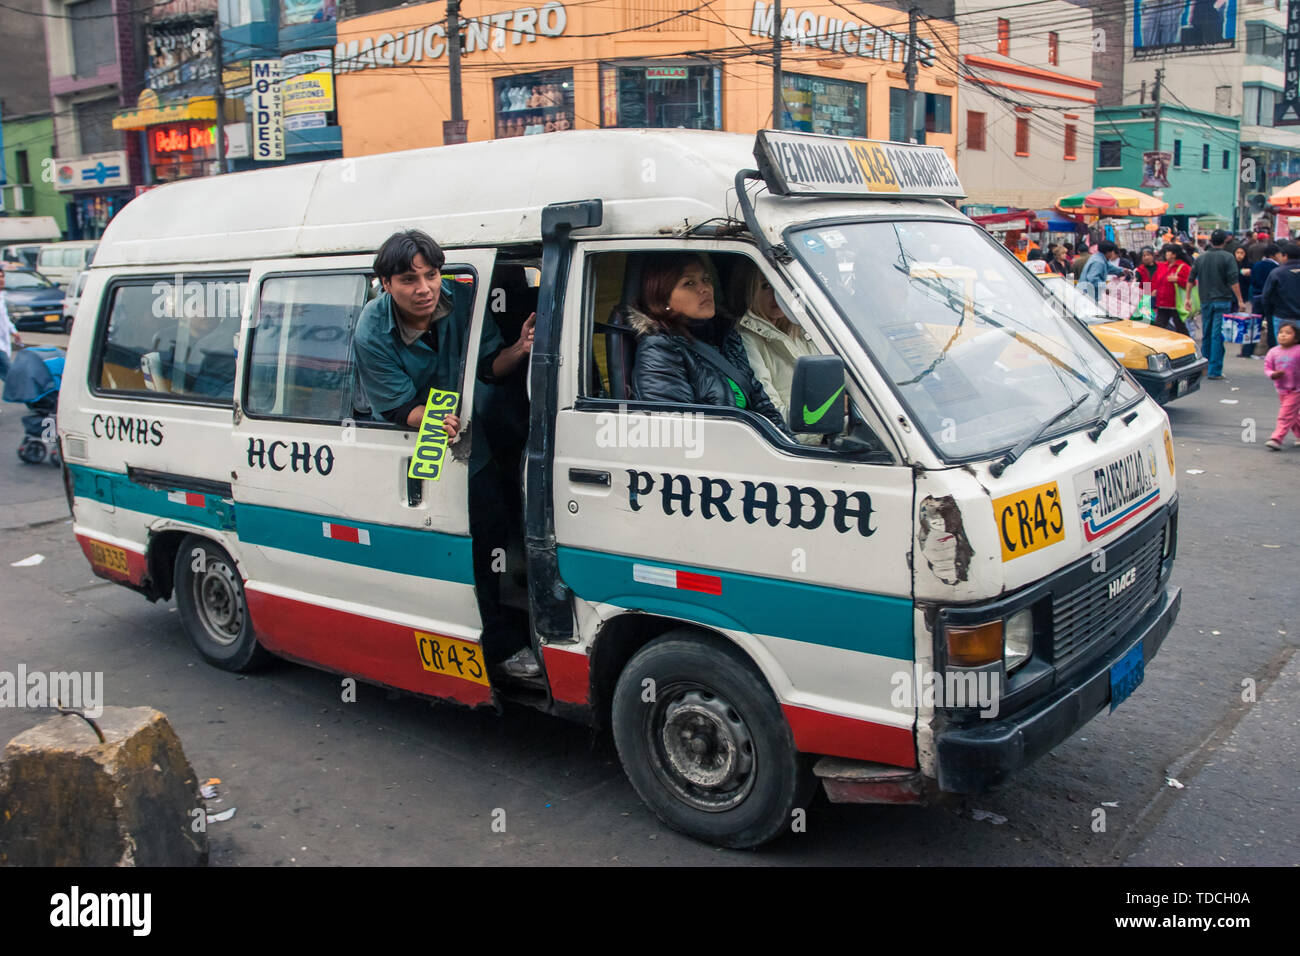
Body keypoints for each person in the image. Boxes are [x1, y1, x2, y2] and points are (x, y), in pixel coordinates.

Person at [351, 230, 540, 678]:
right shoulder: (371, 329)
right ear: (384, 283)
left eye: (431, 275)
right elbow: (396, 404)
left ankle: (509, 624)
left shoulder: (462, 298)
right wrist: (429, 419)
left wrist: (520, 348)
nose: (424, 289)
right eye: (408, 280)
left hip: (473, 443)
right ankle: (498, 645)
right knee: (465, 550)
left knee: (493, 531)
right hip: (425, 443)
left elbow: (489, 367)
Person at [627, 253, 789, 435]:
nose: (704, 289)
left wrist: (788, 446)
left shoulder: (725, 336)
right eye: (689, 283)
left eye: (706, 279)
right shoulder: (659, 349)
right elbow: (675, 432)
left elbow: (762, 404)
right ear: (663, 298)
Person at [734, 264, 820, 443]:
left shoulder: (805, 332)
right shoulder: (747, 339)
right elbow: (771, 415)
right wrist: (830, 412)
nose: (776, 294)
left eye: (782, 285)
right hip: (797, 446)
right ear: (751, 292)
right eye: (766, 286)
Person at [1190, 229, 1247, 380]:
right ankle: (1214, 370)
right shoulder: (1228, 257)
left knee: (1206, 334)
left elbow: (1191, 278)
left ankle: (1203, 366)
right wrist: (1240, 300)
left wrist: (1188, 298)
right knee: (1217, 335)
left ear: (1210, 241)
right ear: (1225, 241)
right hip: (1222, 300)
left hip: (1206, 300)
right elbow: (1233, 280)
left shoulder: (1201, 258)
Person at [1263, 322, 1300, 451]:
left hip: (1296, 389)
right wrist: (1273, 374)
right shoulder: (1273, 352)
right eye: (1281, 332)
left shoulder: (1298, 351)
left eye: (1288, 333)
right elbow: (1267, 368)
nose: (1284, 335)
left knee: (1286, 414)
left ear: (1296, 338)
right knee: (1293, 415)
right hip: (1281, 389)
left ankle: (1277, 438)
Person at [1260, 241, 1300, 349]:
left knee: (1284, 350)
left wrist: (1268, 314)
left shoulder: (1277, 273)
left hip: (1281, 316)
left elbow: (1266, 297)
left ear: (1285, 256)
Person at [1246, 242, 1280, 358]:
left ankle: (1247, 350)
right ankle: (1272, 350)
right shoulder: (1276, 268)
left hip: (1257, 297)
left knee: (1254, 325)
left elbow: (1252, 281)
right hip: (1271, 300)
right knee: (1271, 325)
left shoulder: (1256, 265)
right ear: (1274, 255)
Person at [1153, 243, 1190, 336]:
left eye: (1168, 252)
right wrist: (1155, 289)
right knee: (1158, 327)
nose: (1166, 254)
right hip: (1162, 303)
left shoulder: (1184, 267)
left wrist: (1178, 280)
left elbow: (1191, 283)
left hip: (1176, 304)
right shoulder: (1162, 266)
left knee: (1181, 328)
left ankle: (1188, 345)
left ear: (1174, 254)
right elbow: (1156, 280)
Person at [0, 270, 21, 381]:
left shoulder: (1, 298)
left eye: (3, 277)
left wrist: (14, 331)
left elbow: (4, 319)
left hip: (3, 344)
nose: (2, 280)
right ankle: (20, 397)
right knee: (10, 378)